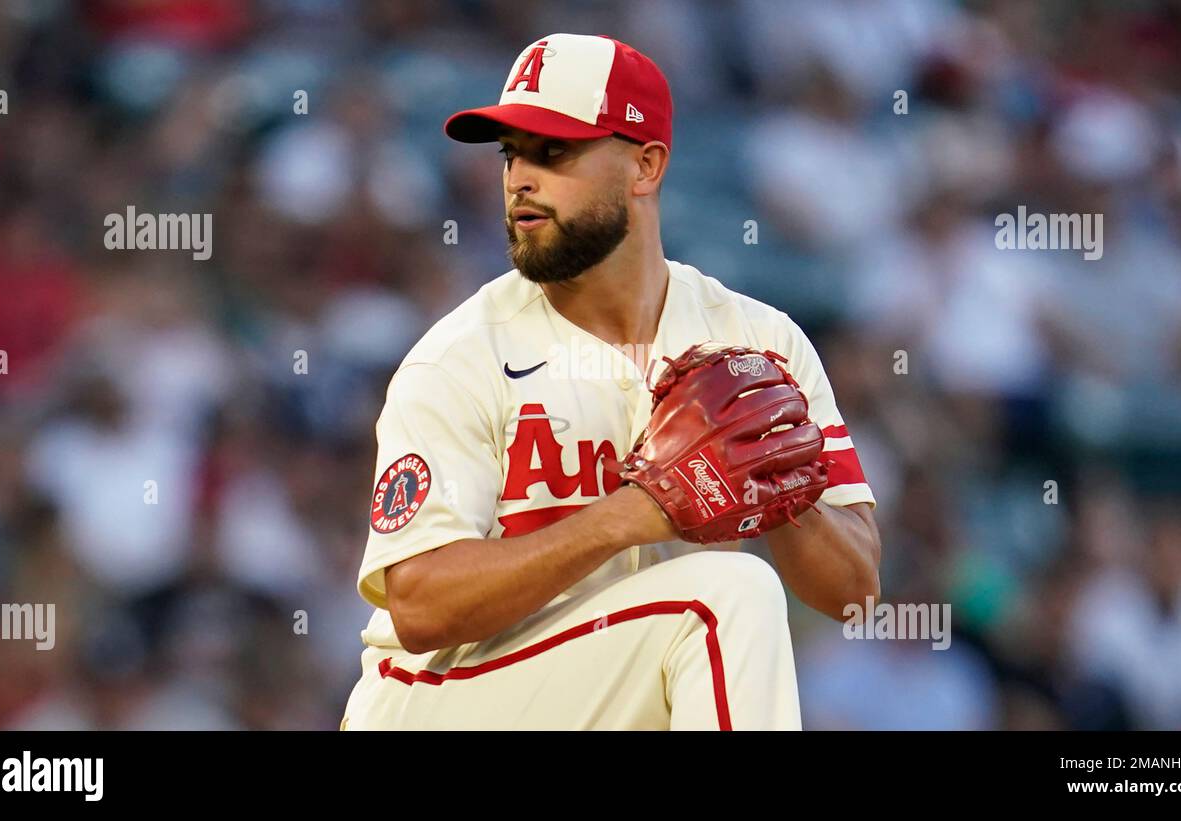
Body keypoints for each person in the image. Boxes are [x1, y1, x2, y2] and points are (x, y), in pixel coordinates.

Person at [341, 33, 880, 730]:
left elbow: (856, 592)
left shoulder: (758, 343)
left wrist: (778, 483)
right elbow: (418, 606)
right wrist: (630, 515)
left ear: (646, 166)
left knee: (718, 605)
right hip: (441, 701)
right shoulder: (459, 357)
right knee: (726, 594)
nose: (520, 179)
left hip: (608, 692)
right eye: (512, 153)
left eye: (553, 152)